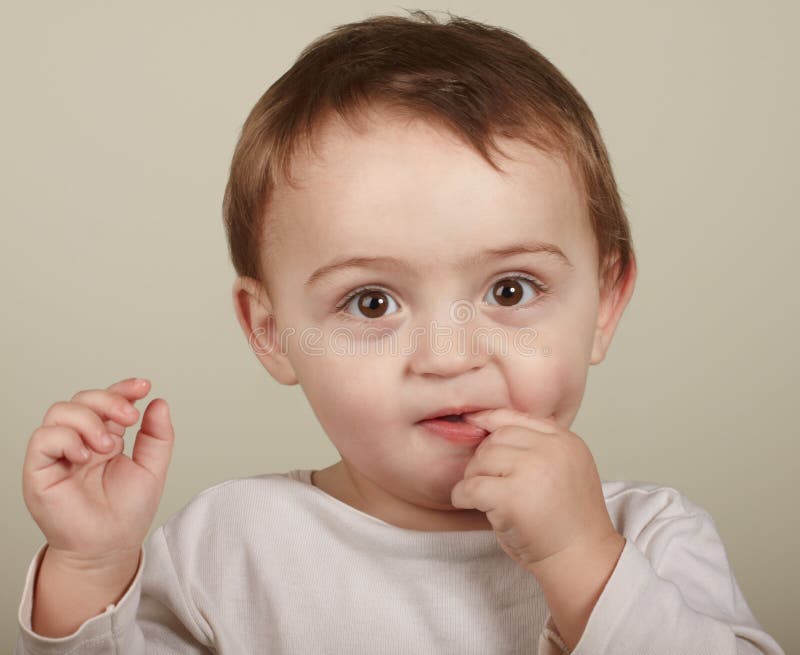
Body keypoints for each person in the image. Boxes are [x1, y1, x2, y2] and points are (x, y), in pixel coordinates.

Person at [15, 10, 785, 655]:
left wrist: (582, 564)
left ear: (605, 303)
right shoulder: (233, 543)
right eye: (374, 303)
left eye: (510, 289)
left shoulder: (647, 537)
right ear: (274, 331)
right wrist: (89, 568)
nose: (450, 356)